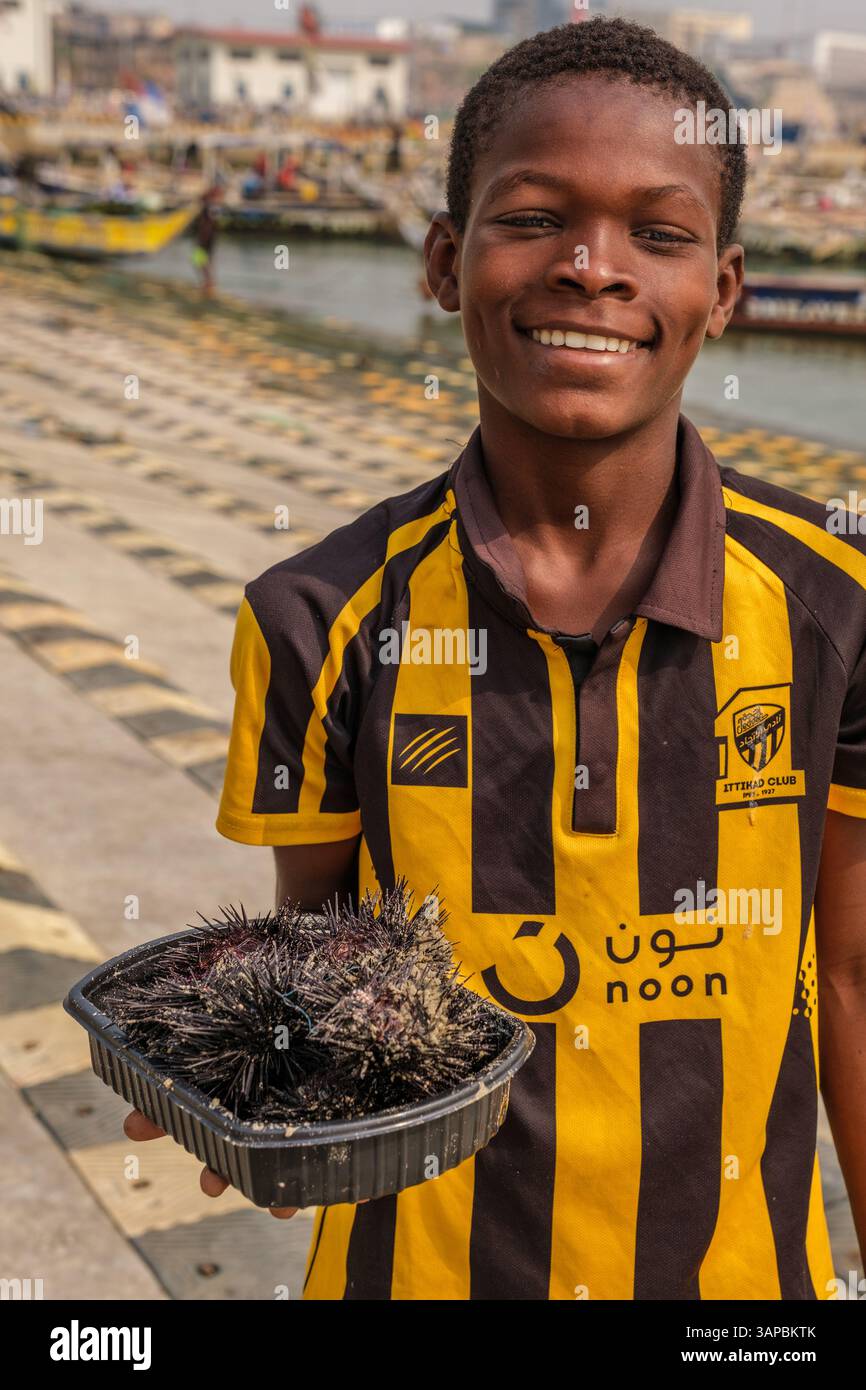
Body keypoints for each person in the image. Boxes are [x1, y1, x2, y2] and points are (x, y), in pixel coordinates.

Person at [126, 17, 866, 1300]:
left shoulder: (835, 599)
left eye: (659, 232)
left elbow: (852, 978)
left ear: (724, 291)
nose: (592, 268)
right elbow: (320, 966)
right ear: (442, 261)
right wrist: (243, 1075)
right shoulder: (320, 613)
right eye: (531, 218)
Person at [190, 188, 219, 296]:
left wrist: (203, 239)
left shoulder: (208, 208)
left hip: (206, 238)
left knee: (200, 261)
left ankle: (209, 284)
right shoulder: (209, 208)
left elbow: (209, 224)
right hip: (207, 238)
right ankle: (208, 283)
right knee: (202, 261)